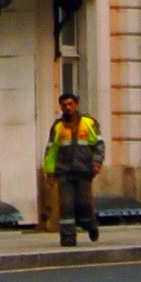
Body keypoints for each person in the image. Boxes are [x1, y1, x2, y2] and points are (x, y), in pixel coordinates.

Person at [46, 81, 103, 245]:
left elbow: (99, 145)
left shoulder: (89, 123)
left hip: (84, 171)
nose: (68, 108)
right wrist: (50, 172)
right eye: (64, 105)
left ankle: (90, 223)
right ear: (61, 108)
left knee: (84, 203)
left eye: (71, 104)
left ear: (76, 105)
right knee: (66, 206)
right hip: (64, 172)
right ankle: (68, 238)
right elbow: (51, 151)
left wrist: (97, 162)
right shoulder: (57, 127)